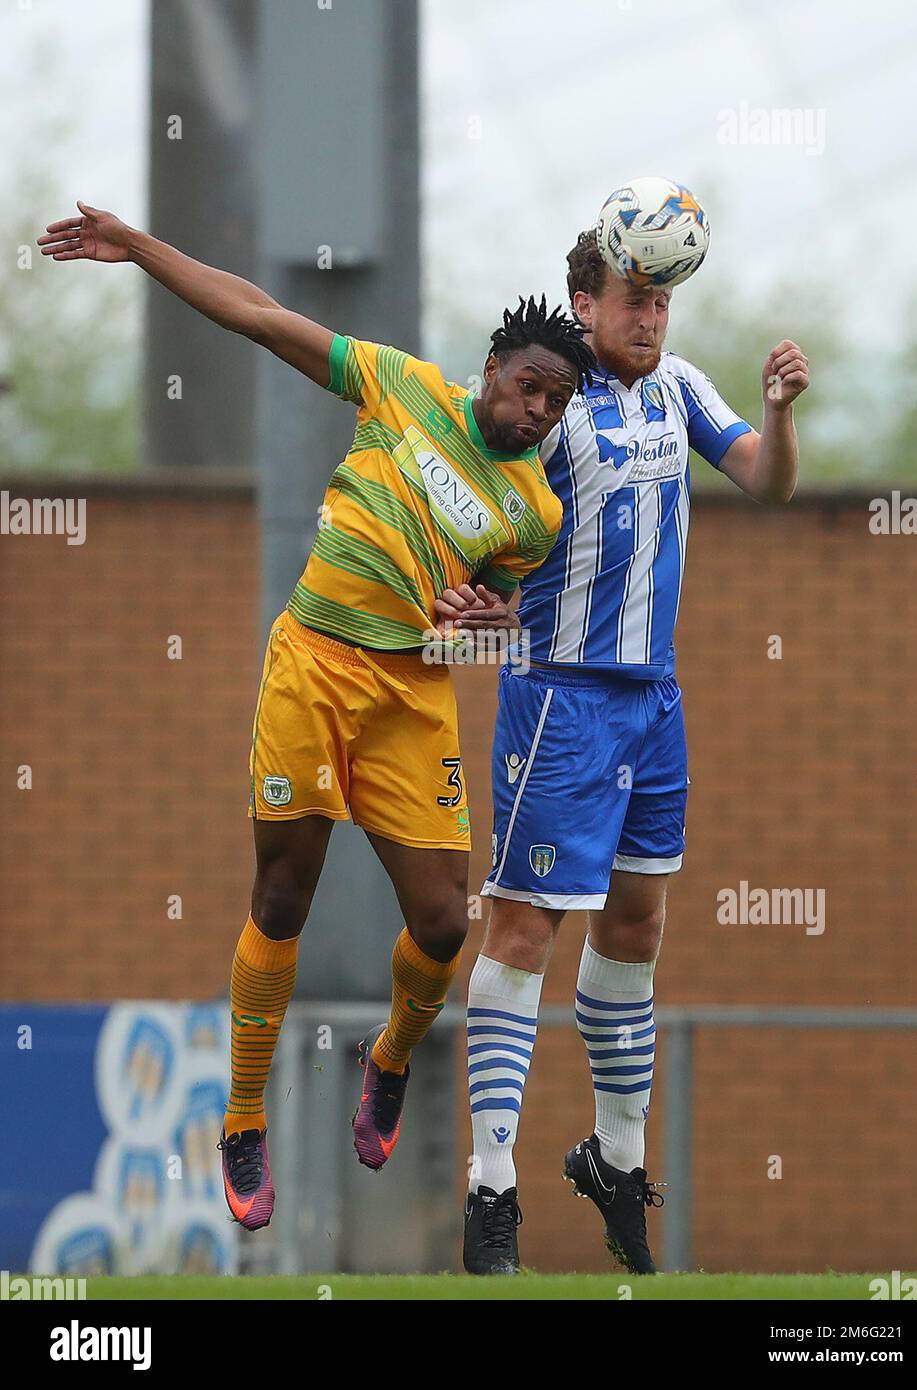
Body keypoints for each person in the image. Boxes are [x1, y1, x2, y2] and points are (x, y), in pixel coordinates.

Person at [38, 202, 596, 1232]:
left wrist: (482, 622)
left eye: (556, 405)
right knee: (283, 895)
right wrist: (143, 248)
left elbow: (489, 636)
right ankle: (243, 1116)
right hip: (310, 667)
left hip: (406, 697)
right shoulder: (398, 384)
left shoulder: (533, 511)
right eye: (529, 387)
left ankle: (385, 1062)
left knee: (440, 920)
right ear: (489, 368)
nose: (536, 414)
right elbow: (257, 314)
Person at [444, 223, 809, 1275]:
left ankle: (613, 1159)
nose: (647, 317)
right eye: (629, 298)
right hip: (559, 702)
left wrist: (778, 415)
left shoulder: (680, 388)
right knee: (522, 931)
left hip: (654, 703)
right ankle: (492, 1190)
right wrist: (474, 607)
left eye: (660, 300)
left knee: (637, 924)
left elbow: (769, 482)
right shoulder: (548, 407)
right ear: (585, 301)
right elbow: (489, 544)